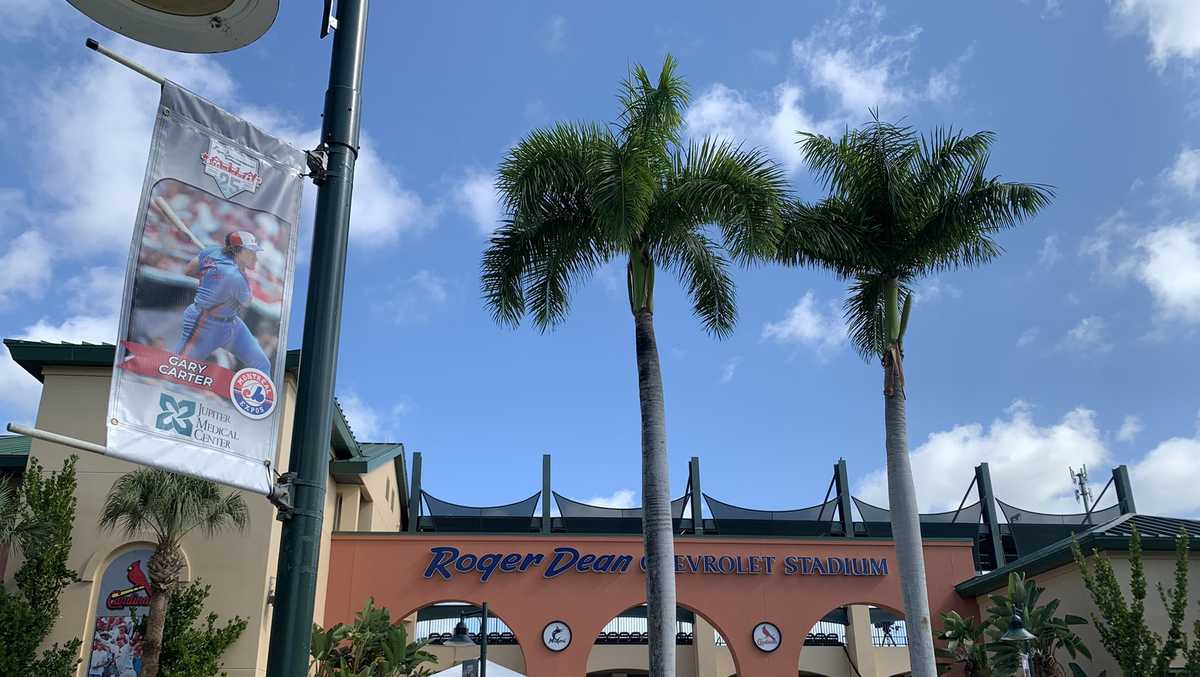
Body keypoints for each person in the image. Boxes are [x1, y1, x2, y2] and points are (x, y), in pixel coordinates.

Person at [174, 231, 271, 373]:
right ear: (237, 251)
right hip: (204, 325)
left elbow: (189, 270)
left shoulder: (212, 251)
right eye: (250, 252)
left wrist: (209, 276)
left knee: (262, 364)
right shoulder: (237, 277)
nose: (255, 257)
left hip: (231, 324)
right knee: (177, 369)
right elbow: (247, 302)